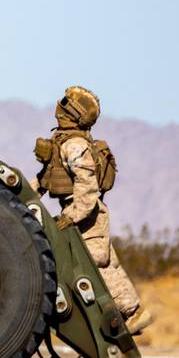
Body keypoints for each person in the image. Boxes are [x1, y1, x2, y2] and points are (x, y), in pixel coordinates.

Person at [32, 86, 153, 335]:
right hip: (80, 213)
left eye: (65, 103)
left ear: (74, 112)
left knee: (97, 265)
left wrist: (71, 217)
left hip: (88, 217)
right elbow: (45, 179)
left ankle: (133, 313)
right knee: (105, 264)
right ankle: (131, 313)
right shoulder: (63, 142)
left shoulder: (76, 146)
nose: (59, 105)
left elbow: (88, 191)